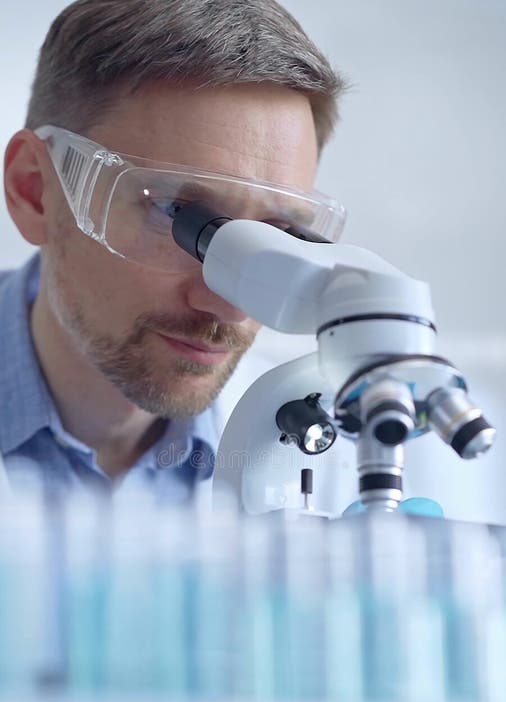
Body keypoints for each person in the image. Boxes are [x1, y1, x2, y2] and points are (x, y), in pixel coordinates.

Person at [0, 0, 347, 503]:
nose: (233, 305)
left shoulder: (325, 452)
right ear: (35, 190)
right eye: (180, 217)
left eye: (279, 231)